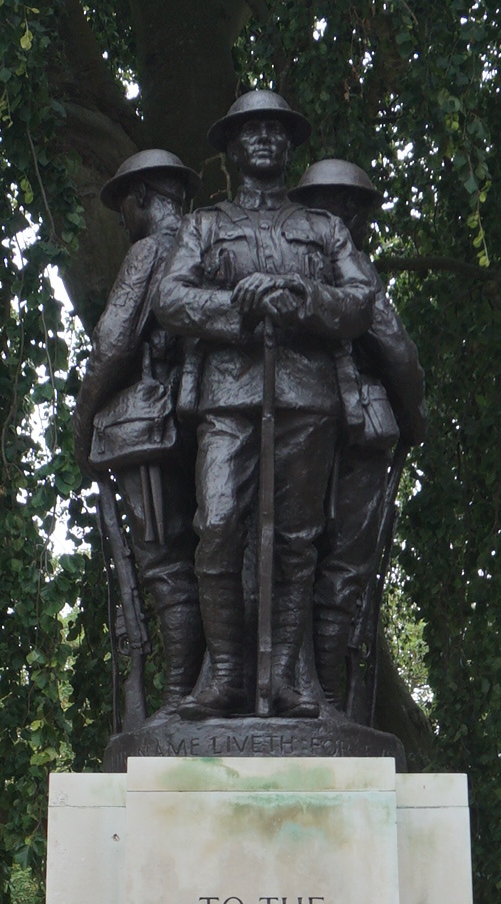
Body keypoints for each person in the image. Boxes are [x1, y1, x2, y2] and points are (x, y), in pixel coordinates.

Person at [152, 89, 377, 718]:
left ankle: (285, 679)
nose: (266, 139)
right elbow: (171, 298)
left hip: (306, 396)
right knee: (217, 527)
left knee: (297, 540)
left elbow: (360, 300)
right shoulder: (205, 225)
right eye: (252, 130)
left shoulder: (323, 229)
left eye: (277, 130)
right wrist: (239, 308)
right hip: (228, 395)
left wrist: (300, 296)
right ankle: (223, 675)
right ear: (230, 146)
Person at [290, 158, 426, 712]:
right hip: (358, 428)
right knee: (342, 560)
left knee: (295, 553)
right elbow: (397, 351)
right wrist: (415, 418)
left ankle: (311, 685)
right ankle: (321, 690)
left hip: (301, 419)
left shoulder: (288, 268)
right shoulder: (356, 273)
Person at [74, 148, 203, 711]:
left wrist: (82, 422)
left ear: (144, 197)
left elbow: (113, 343)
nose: (122, 219)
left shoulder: (149, 250)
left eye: (123, 205)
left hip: (150, 426)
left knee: (163, 561)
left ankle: (179, 692)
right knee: (208, 555)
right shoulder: (208, 246)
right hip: (208, 423)